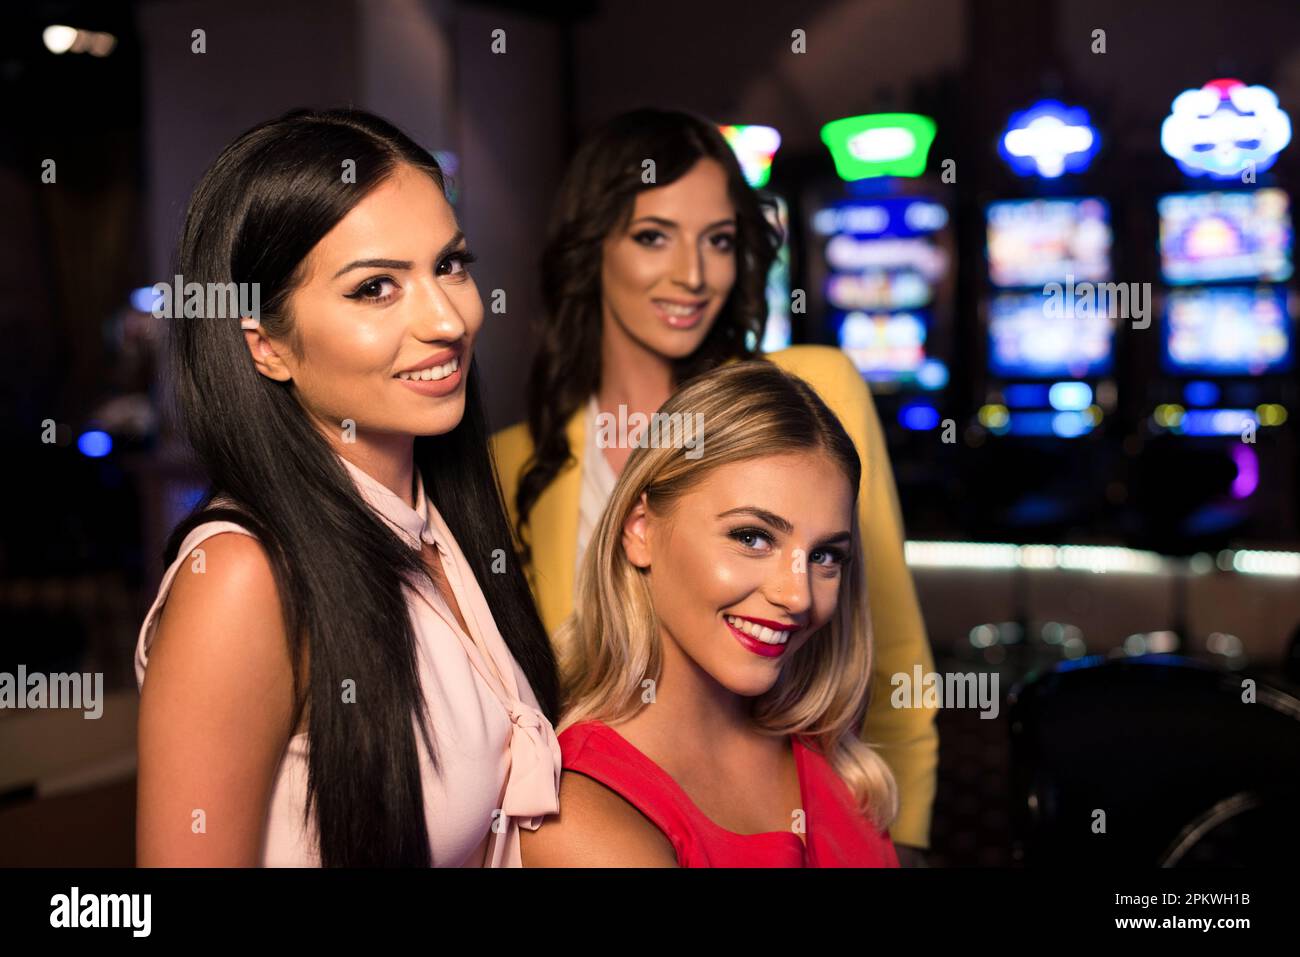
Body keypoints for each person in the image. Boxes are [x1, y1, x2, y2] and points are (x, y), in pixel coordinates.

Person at [492, 107, 938, 858]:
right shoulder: (512, 463)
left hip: (815, 806)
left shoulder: (810, 390)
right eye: (653, 236)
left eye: (720, 241)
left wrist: (902, 842)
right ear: (590, 247)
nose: (693, 275)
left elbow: (893, 661)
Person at [134, 108, 560, 867]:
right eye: (375, 288)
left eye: (450, 265)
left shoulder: (439, 523)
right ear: (266, 347)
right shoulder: (243, 580)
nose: (448, 318)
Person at [522, 361, 899, 866]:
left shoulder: (830, 748)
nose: (798, 596)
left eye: (825, 555)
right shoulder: (582, 808)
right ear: (640, 531)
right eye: (752, 537)